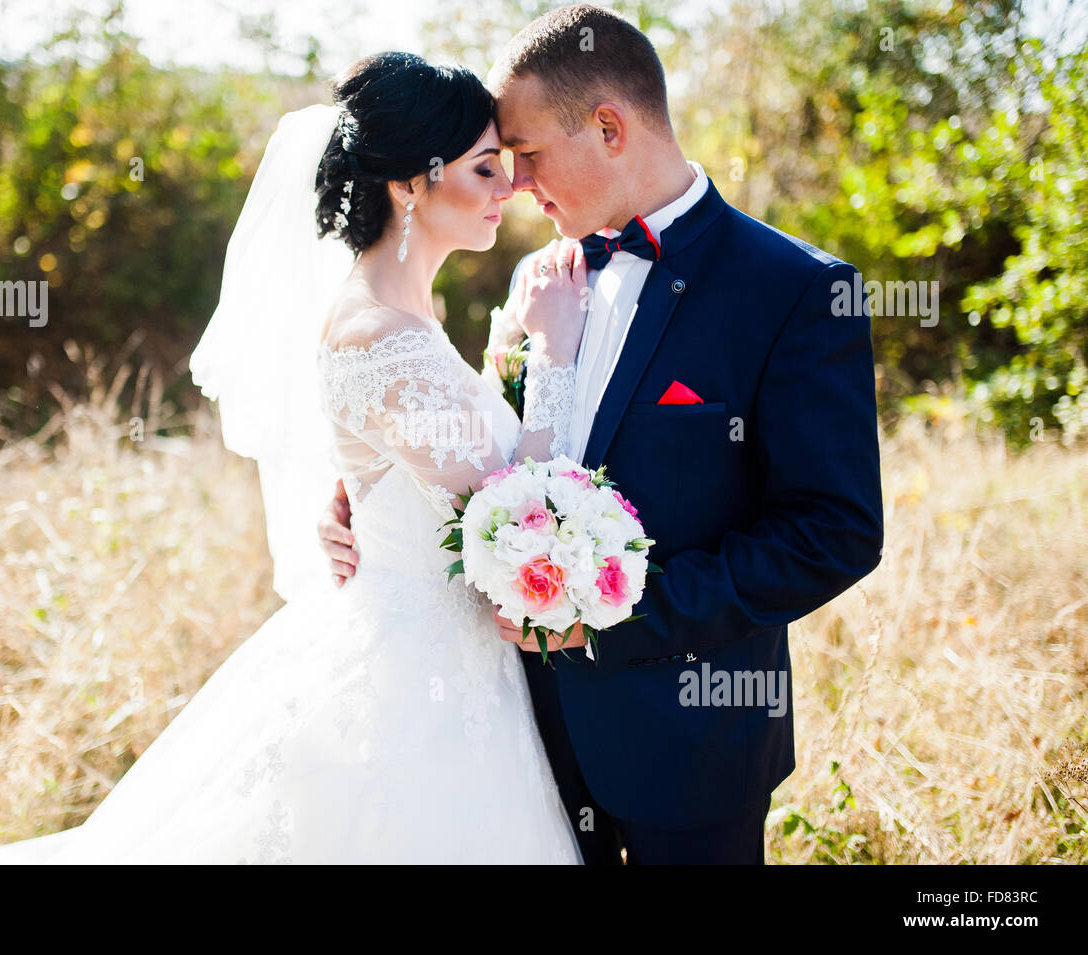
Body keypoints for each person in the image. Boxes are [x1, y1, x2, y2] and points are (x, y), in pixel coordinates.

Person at [0, 51, 588, 864]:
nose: (509, 189)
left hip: (458, 665)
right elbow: (512, 517)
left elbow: (431, 467)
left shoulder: (405, 318)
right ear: (409, 183)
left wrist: (492, 365)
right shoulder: (378, 336)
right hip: (414, 679)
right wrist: (556, 351)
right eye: (485, 167)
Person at [318, 5, 885, 864]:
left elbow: (833, 533)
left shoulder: (793, 292)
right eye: (498, 165)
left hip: (687, 746)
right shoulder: (536, 276)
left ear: (611, 127)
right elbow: (478, 446)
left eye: (529, 156)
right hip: (510, 737)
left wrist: (616, 612)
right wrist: (362, 494)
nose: (516, 187)